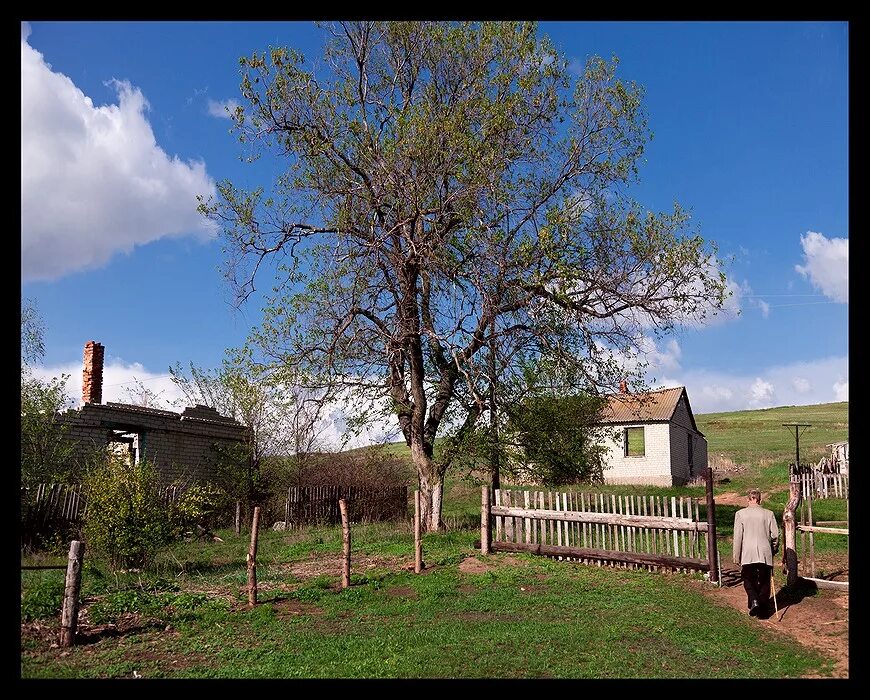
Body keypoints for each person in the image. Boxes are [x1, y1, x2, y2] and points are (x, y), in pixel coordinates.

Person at [733, 488, 779, 617]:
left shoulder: (741, 514)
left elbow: (738, 537)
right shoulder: (768, 514)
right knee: (764, 580)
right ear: (760, 500)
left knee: (748, 578)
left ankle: (754, 600)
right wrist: (773, 548)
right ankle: (763, 609)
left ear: (748, 499)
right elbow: (775, 535)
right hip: (764, 552)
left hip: (748, 552)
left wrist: (737, 556)